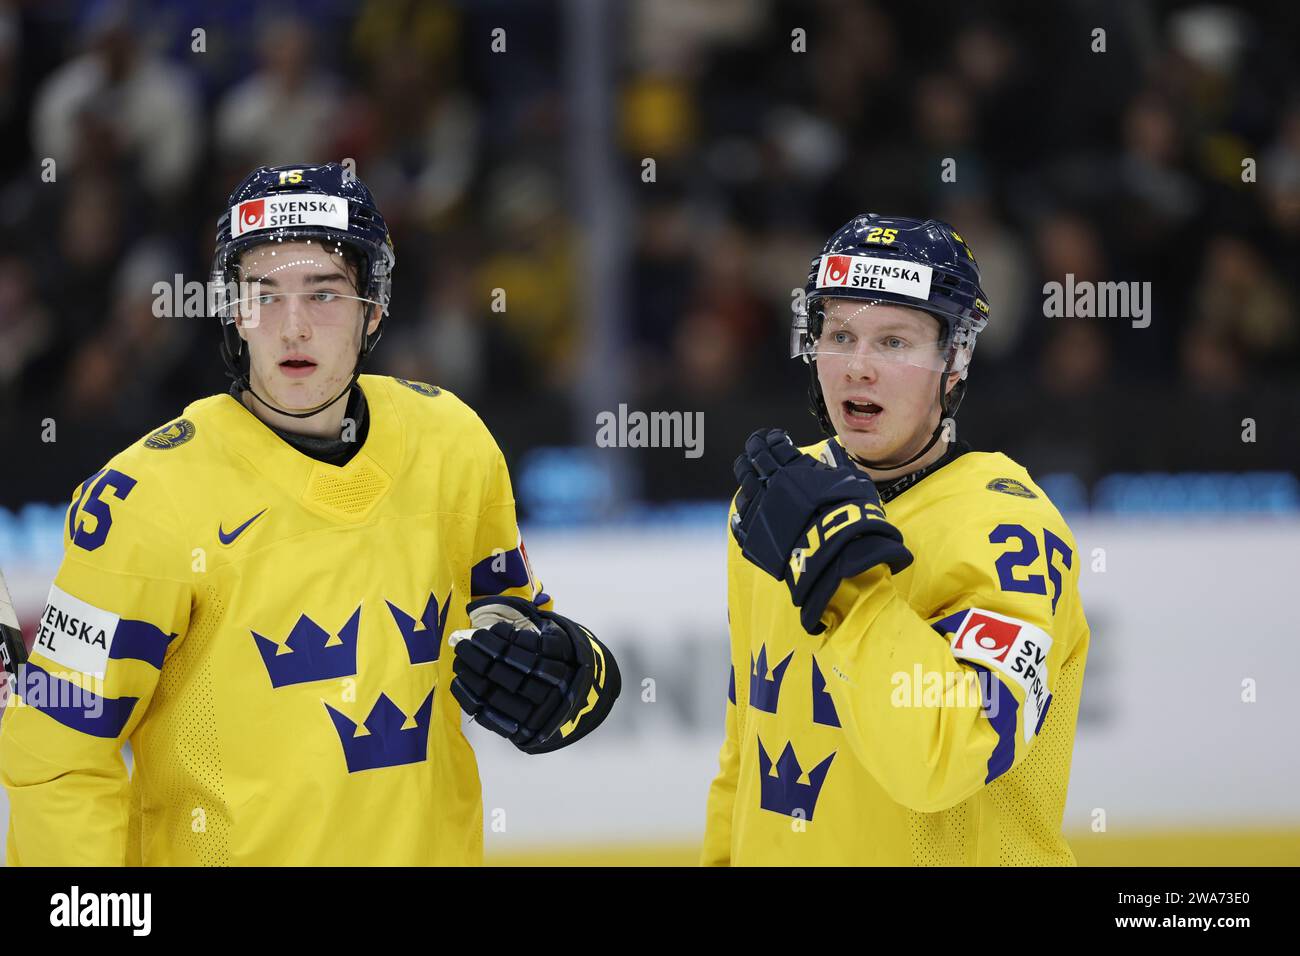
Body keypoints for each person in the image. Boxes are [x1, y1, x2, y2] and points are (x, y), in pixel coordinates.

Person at [0, 163, 620, 865]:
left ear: (373, 308)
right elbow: (56, 756)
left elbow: (516, 635)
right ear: (233, 310)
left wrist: (571, 675)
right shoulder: (145, 498)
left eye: (324, 293)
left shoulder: (452, 443)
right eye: (264, 294)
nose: (292, 326)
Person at [702, 214, 1089, 865]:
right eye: (840, 334)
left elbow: (940, 763)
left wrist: (847, 584)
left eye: (894, 343)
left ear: (955, 359)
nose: (858, 367)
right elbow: (747, 747)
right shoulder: (774, 499)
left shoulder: (1009, 530)